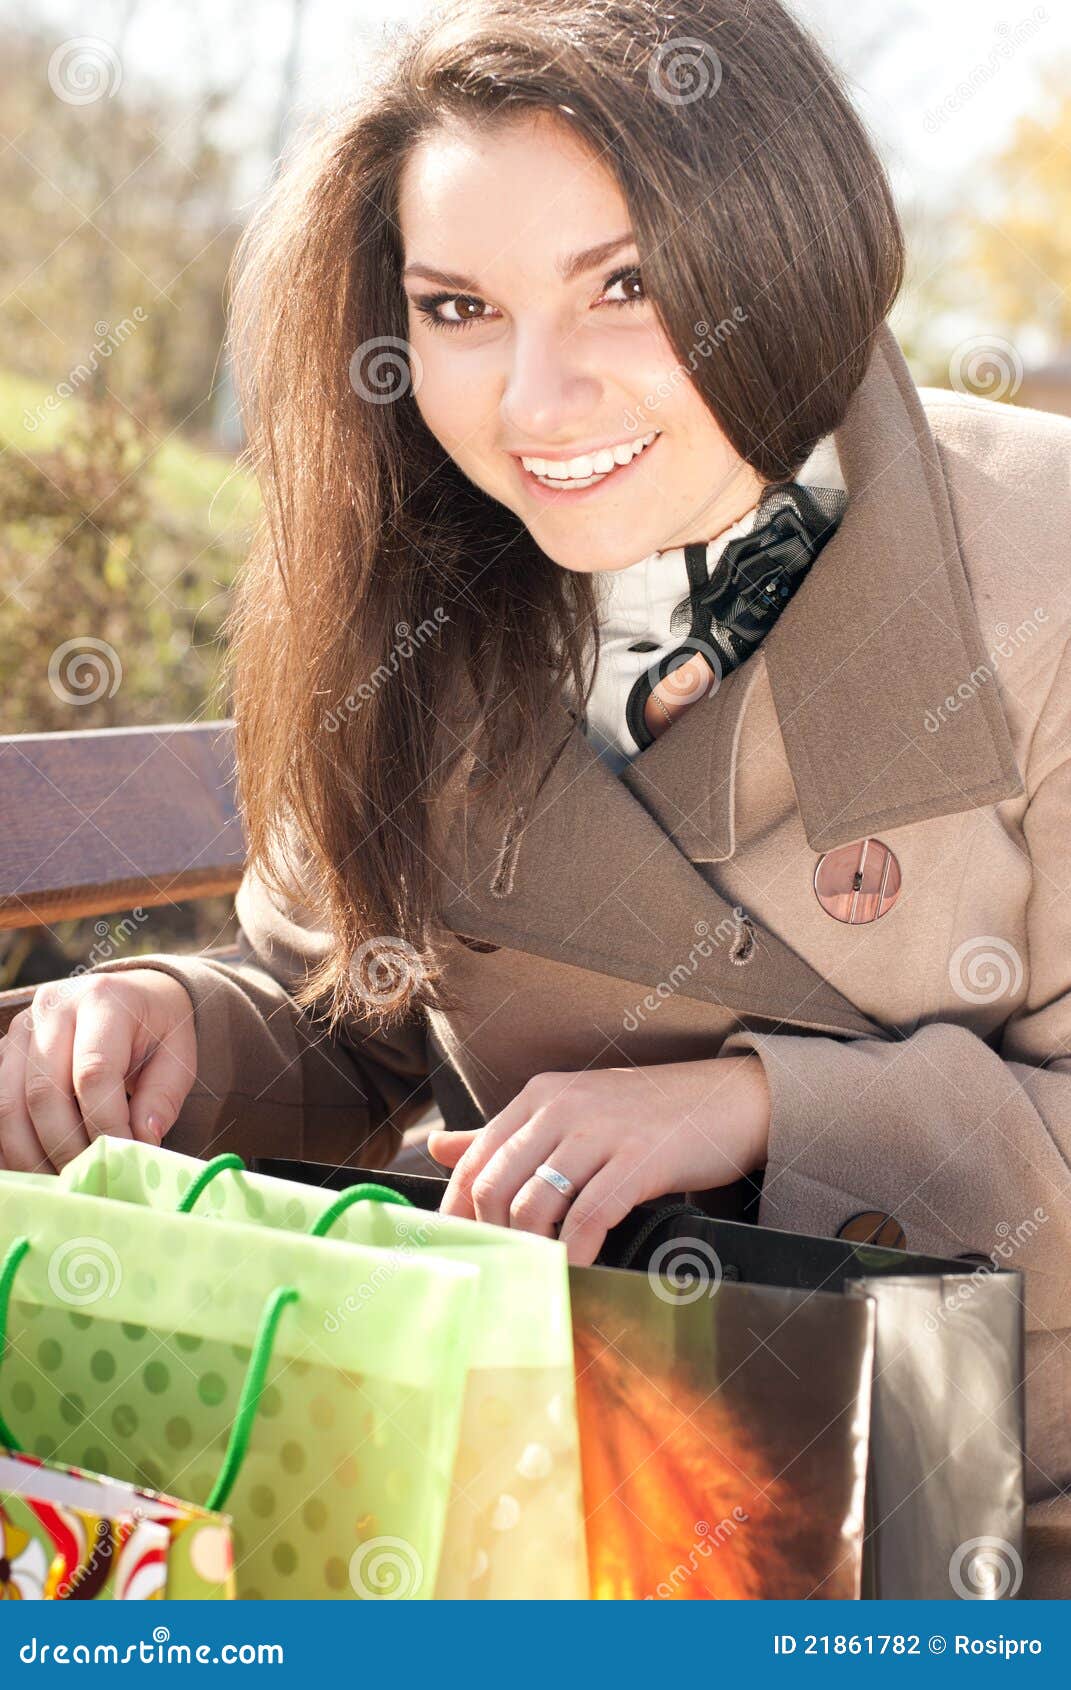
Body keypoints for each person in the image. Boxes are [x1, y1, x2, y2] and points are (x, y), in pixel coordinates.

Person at [2, 0, 1069, 1596]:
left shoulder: (1039, 566)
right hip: (482, 1478)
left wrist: (765, 1106)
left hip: (968, 1511)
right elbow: (351, 1017)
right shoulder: (412, 579)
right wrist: (174, 1023)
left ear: (787, 241)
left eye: (624, 285)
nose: (534, 400)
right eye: (457, 307)